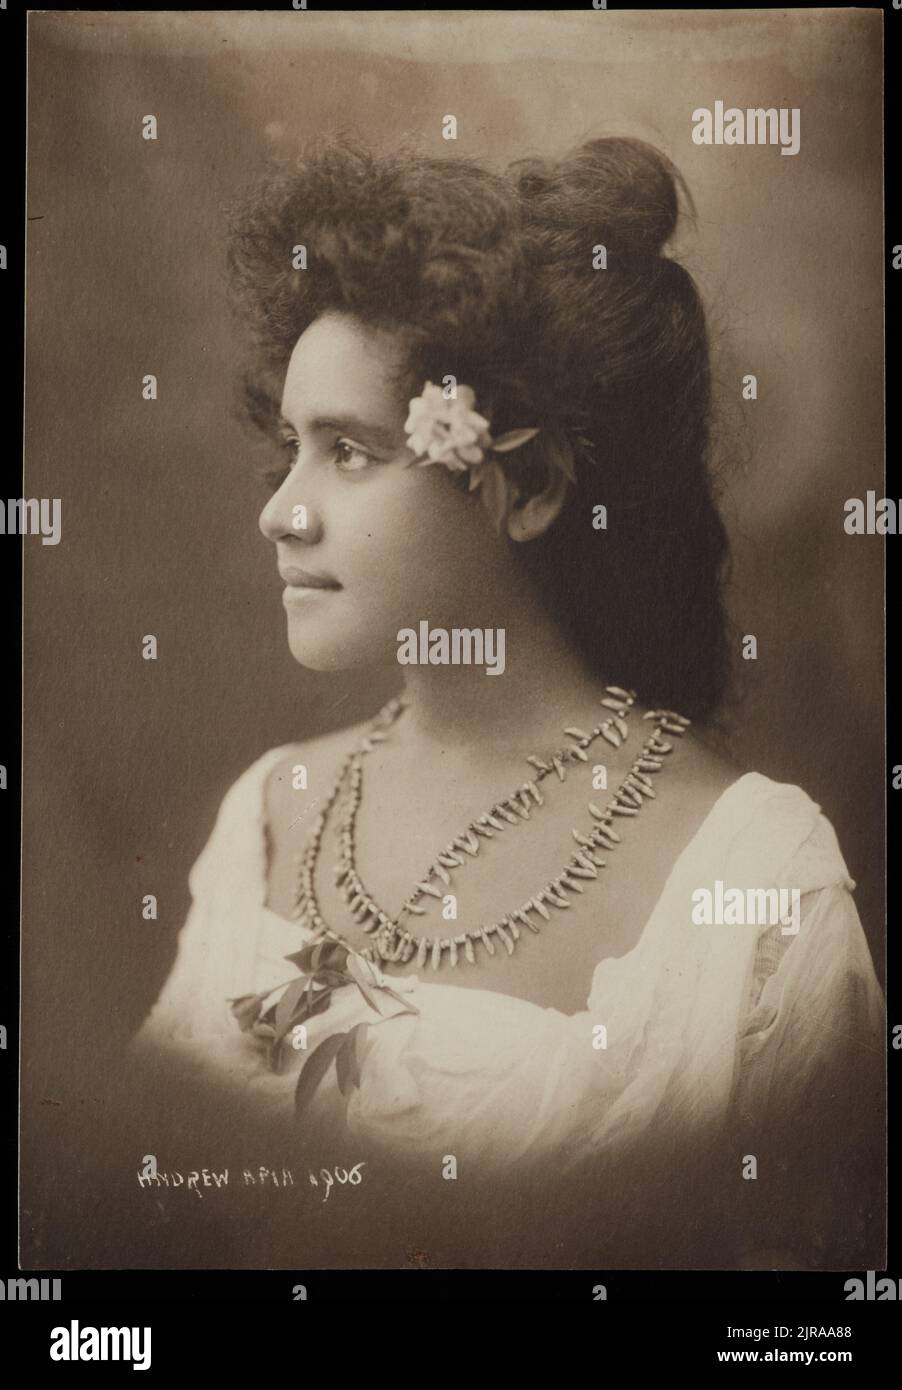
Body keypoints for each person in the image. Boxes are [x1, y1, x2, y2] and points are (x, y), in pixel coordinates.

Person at [131, 134, 885, 1270]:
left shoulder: (755, 889)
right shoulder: (270, 811)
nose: (280, 513)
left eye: (347, 452)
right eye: (289, 448)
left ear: (524, 486)